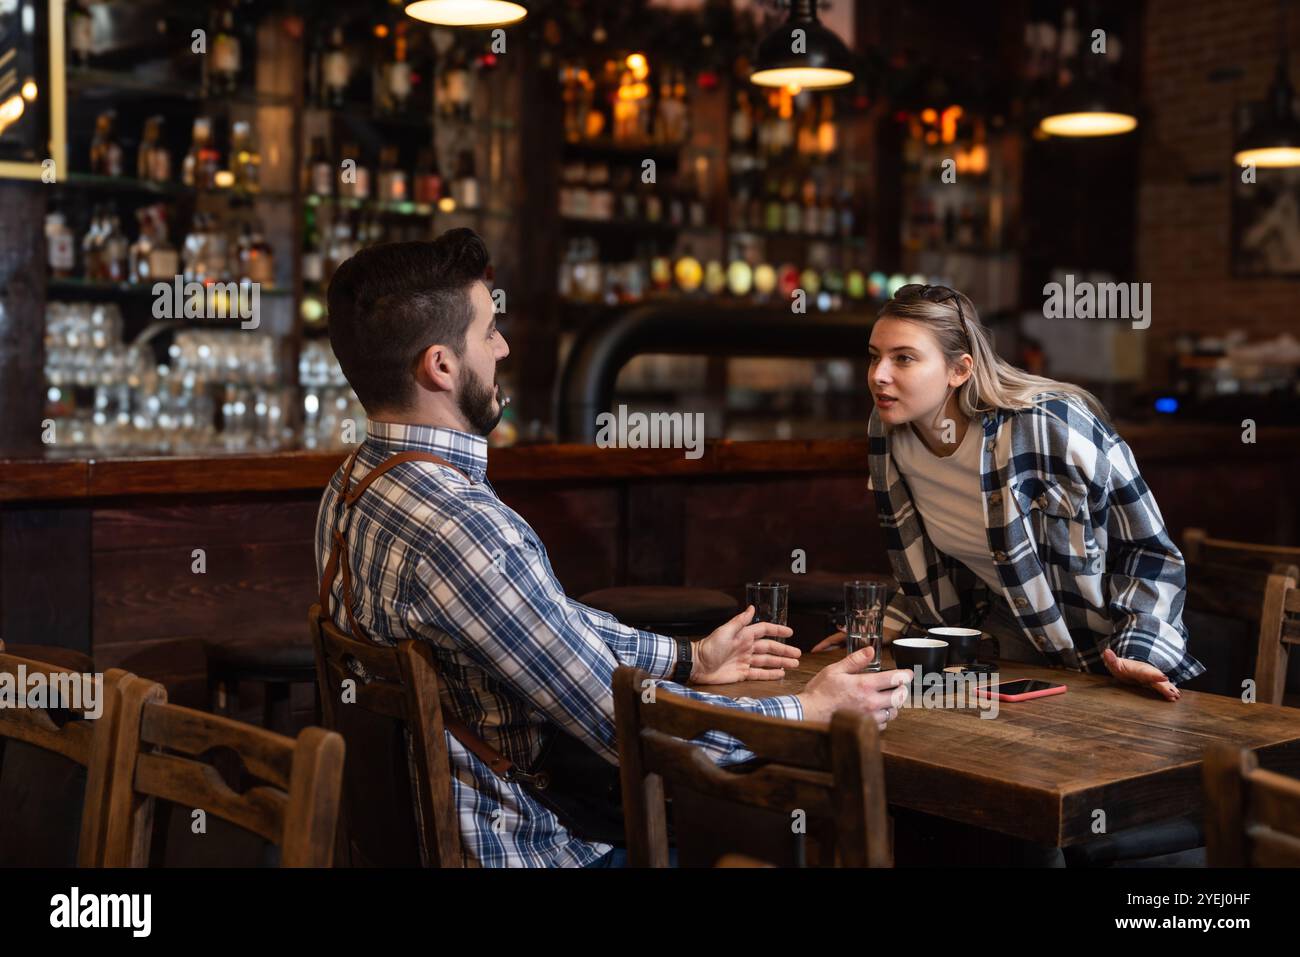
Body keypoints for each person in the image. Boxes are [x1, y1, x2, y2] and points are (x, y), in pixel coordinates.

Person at [317, 229, 913, 868]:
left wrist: (688, 658)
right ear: (441, 366)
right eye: (489, 332)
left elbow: (549, 627)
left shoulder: (353, 486)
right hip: (531, 851)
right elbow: (636, 732)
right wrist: (806, 709)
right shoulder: (462, 531)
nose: (504, 347)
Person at [814, 283, 1204, 698]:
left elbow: (1149, 552)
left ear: (959, 370)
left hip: (1107, 656)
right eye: (874, 357)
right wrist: (882, 628)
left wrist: (1140, 651)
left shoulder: (1048, 424)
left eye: (903, 358)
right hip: (1007, 645)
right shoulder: (886, 429)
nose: (879, 375)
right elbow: (927, 561)